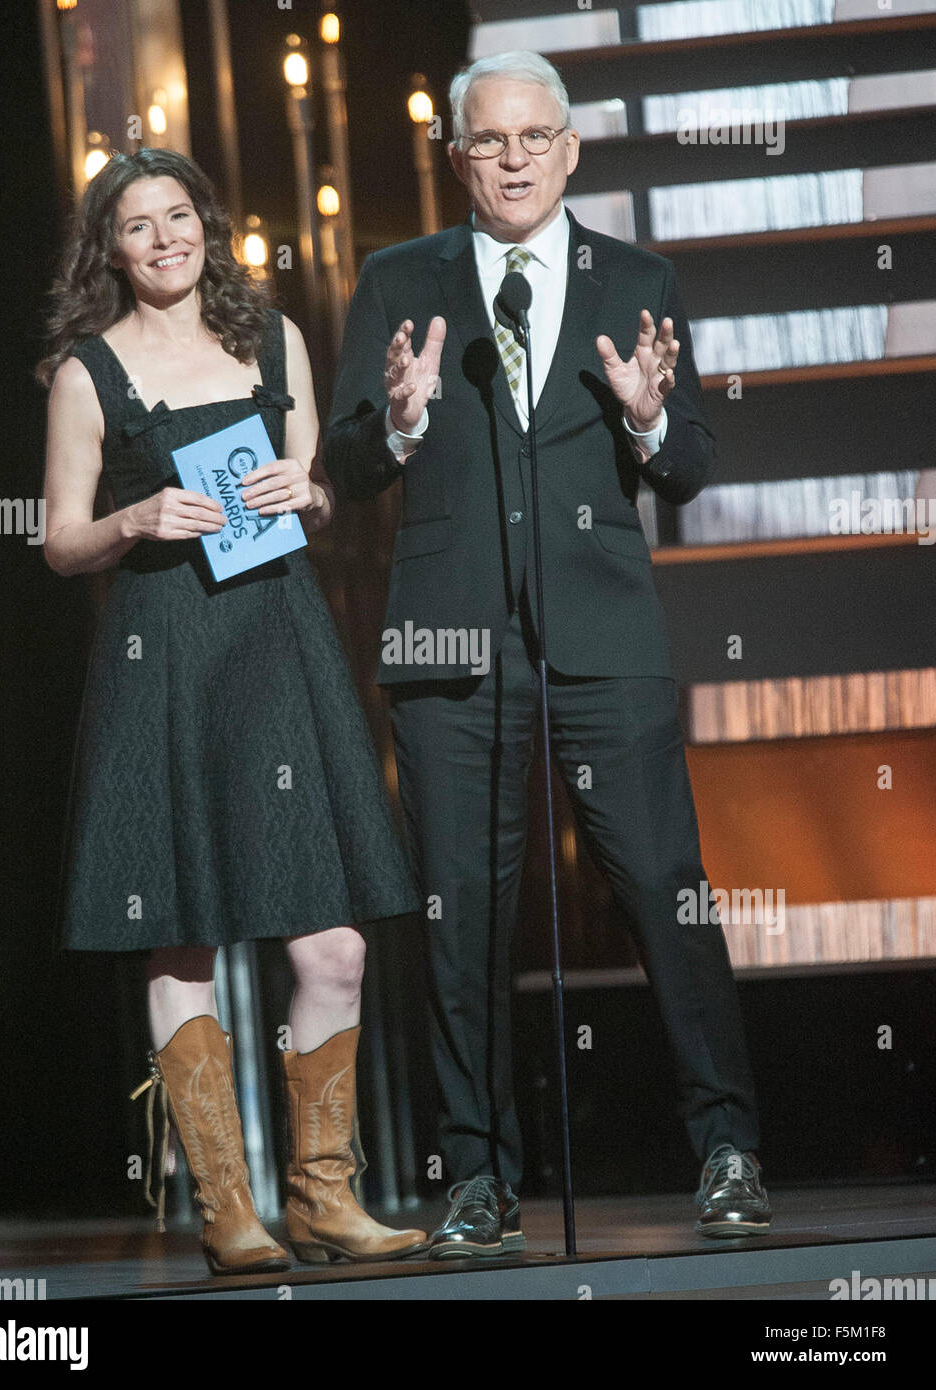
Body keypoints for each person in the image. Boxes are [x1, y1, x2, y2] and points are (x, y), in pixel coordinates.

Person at [324, 51, 771, 1256]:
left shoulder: (636, 276)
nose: (514, 159)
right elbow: (344, 463)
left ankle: (727, 1147)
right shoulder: (397, 278)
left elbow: (689, 467)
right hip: (448, 647)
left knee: (666, 893)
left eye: (536, 138)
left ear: (571, 150)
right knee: (461, 913)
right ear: (457, 156)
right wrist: (401, 423)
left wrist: (649, 417)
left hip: (601, 638)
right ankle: (476, 1173)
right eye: (490, 141)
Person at [39, 147, 427, 1273]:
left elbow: (310, 496)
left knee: (338, 943)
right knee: (183, 931)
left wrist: (305, 488)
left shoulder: (276, 342)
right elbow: (61, 539)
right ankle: (228, 1207)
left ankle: (324, 1197)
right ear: (108, 249)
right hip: (162, 654)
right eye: (137, 226)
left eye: (179, 218)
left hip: (277, 645)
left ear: (208, 225)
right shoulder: (88, 373)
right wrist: (134, 519)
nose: (164, 240)